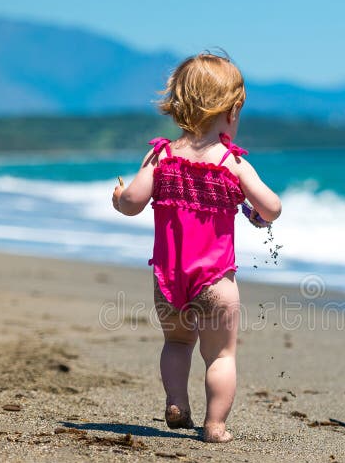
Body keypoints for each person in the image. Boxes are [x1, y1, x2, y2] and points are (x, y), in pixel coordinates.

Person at [111, 53, 282, 443]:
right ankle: (215, 426)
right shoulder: (231, 163)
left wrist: (119, 196)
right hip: (215, 281)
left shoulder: (161, 156)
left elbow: (133, 204)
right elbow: (271, 207)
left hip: (169, 279)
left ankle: (176, 402)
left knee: (175, 341)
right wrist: (257, 215)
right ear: (232, 111)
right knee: (221, 356)